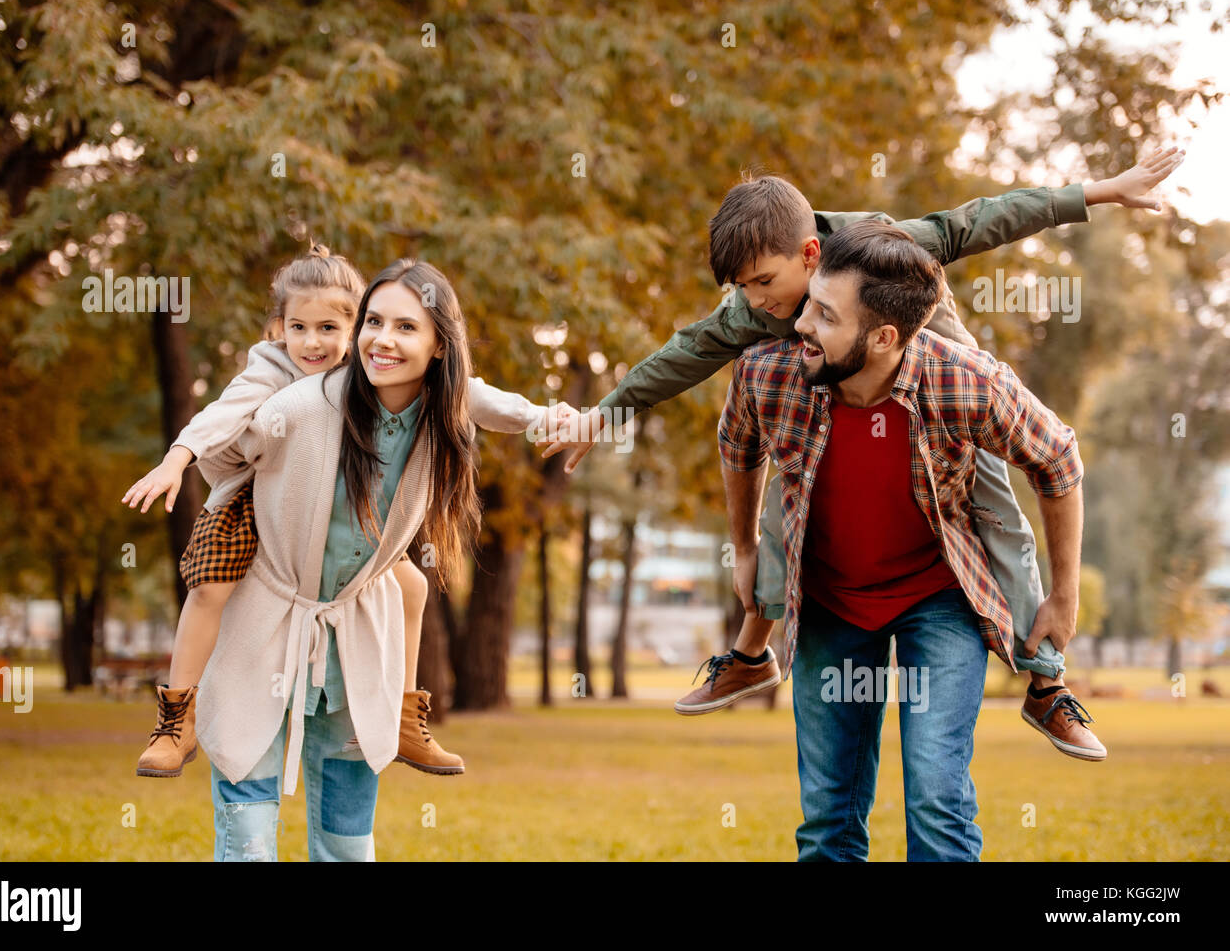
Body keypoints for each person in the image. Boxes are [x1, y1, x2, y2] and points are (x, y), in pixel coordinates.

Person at [540, 148, 1182, 755]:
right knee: (786, 505)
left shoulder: (880, 247)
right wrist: (603, 414)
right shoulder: (751, 309)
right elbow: (683, 354)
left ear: (810, 254)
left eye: (763, 281)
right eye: (743, 287)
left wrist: (1101, 192)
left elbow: (982, 219)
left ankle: (1047, 683)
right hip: (834, 408)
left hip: (947, 411)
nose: (757, 301)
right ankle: (750, 655)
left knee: (999, 520)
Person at [719, 220, 1090, 859]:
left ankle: (1047, 689)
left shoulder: (964, 380)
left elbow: (1057, 459)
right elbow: (737, 444)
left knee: (937, 798)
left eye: (826, 316)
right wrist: (747, 545)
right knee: (827, 817)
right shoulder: (769, 374)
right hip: (830, 601)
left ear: (884, 337)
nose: (802, 324)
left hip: (940, 600)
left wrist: (1064, 594)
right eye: (810, 304)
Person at [124, 246, 568, 779]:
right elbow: (222, 415)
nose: (313, 342)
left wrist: (546, 417)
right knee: (209, 589)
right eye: (298, 328)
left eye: (330, 328)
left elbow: (475, 396)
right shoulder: (271, 369)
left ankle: (405, 718)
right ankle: (177, 718)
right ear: (279, 328)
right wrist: (177, 459)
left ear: (353, 325)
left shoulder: (367, 370)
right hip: (255, 497)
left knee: (412, 586)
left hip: (329, 508)